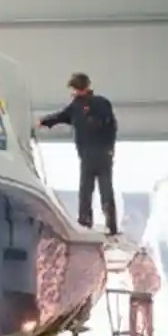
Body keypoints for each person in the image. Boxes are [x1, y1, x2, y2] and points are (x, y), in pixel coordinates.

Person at [38, 73, 119, 236]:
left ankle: (95, 223)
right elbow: (61, 116)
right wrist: (45, 121)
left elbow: (111, 126)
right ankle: (96, 224)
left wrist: (109, 147)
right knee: (94, 189)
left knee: (96, 189)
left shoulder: (96, 104)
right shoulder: (82, 106)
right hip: (95, 154)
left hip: (97, 153)